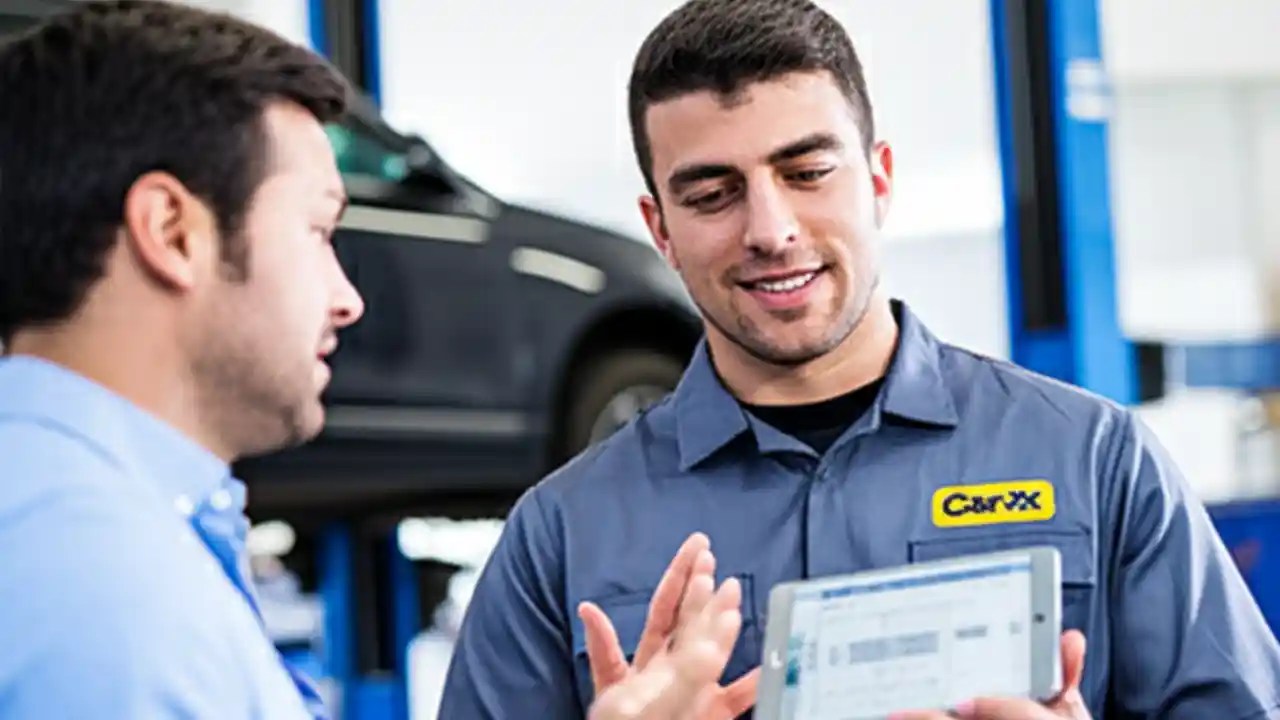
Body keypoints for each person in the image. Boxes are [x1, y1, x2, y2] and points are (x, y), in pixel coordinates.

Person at [438, 0, 1280, 718]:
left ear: (878, 180)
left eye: (806, 171)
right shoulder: (562, 536)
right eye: (711, 195)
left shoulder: (1095, 462)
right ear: (660, 228)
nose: (770, 230)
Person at [0, 2, 747, 719]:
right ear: (173, 231)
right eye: (319, 232)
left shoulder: (77, 526)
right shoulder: (113, 597)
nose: (346, 297)